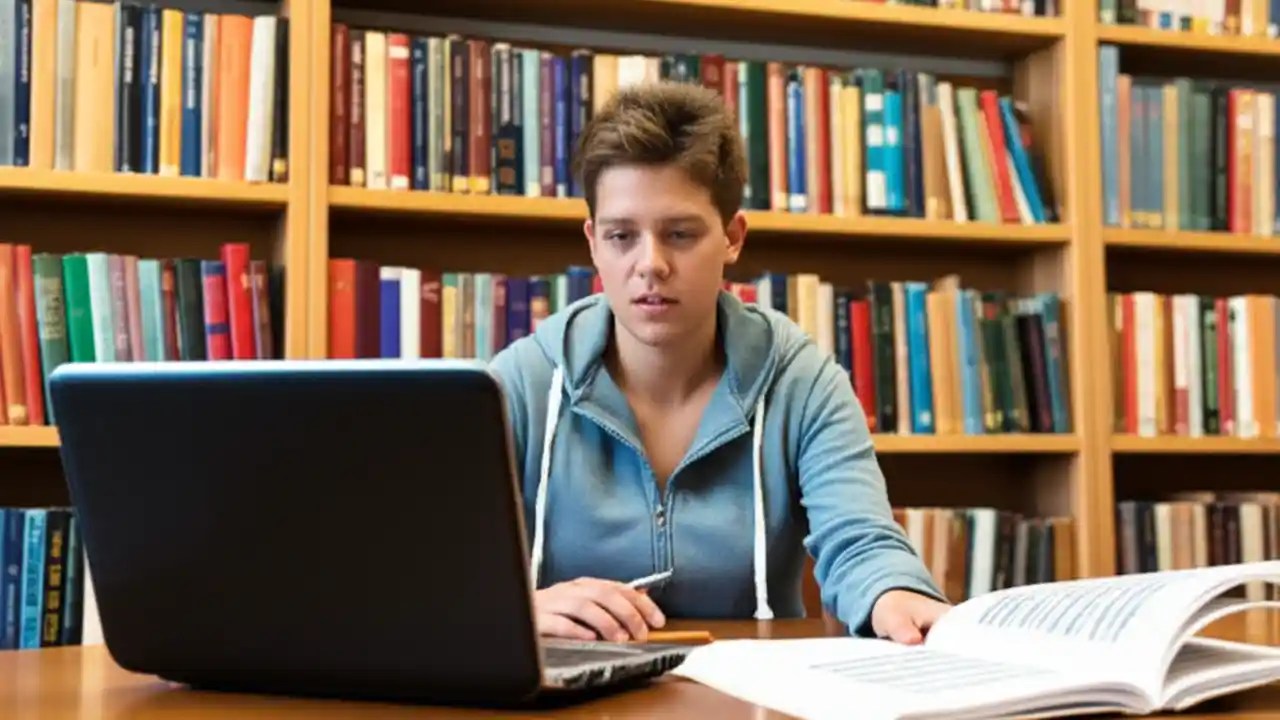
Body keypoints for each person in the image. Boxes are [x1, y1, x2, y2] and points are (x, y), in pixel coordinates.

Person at [488, 80, 949, 646]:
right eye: (621, 236)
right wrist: (515, 610)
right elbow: (436, 565)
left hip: (748, 697)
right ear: (592, 243)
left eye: (680, 234)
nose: (649, 264)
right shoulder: (518, 385)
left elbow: (862, 541)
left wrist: (894, 593)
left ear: (732, 237)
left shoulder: (803, 382)